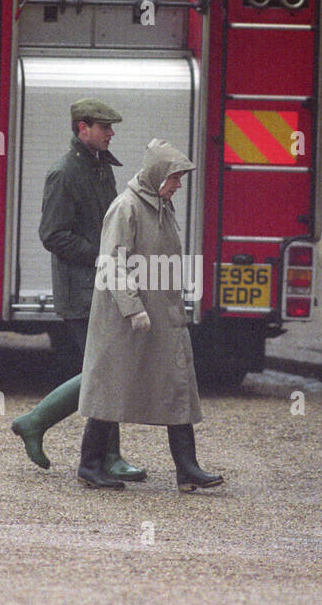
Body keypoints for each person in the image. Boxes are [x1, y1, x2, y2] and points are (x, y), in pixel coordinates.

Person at [76, 139, 223, 492]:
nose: (178, 185)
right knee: (111, 387)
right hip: (128, 319)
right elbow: (113, 263)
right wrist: (133, 309)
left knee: (177, 384)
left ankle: (187, 469)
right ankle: (90, 464)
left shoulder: (160, 205)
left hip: (162, 316)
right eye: (174, 178)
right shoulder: (125, 208)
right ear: (158, 175)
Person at [10, 99, 144, 481]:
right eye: (105, 127)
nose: (111, 133)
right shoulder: (66, 172)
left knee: (104, 371)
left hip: (102, 287)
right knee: (104, 373)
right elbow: (53, 235)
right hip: (82, 292)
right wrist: (102, 257)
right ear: (82, 128)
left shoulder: (99, 167)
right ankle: (39, 424)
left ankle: (108, 455)